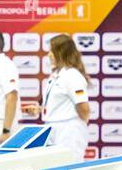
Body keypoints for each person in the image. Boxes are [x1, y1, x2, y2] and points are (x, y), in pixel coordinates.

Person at [22, 33, 90, 161]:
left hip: (69, 131)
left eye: (52, 51)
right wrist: (40, 110)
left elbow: (84, 108)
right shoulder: (56, 75)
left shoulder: (72, 75)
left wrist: (75, 126)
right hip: (54, 128)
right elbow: (59, 104)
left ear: (61, 52)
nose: (49, 55)